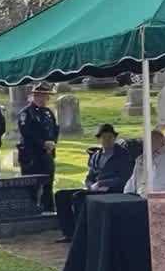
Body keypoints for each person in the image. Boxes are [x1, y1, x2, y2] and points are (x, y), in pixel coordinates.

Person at [53, 124, 133, 242]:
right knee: (61, 195)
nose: (107, 140)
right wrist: (90, 185)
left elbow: (125, 178)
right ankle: (69, 233)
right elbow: (89, 177)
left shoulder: (122, 155)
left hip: (113, 190)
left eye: (110, 137)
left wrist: (102, 183)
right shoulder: (96, 155)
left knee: (78, 197)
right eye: (104, 137)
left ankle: (83, 234)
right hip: (95, 189)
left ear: (114, 138)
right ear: (99, 139)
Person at [18, 83, 59, 211]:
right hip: (31, 155)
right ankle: (31, 210)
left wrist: (52, 142)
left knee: (48, 183)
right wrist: (43, 143)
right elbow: (27, 132)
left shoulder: (48, 112)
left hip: (47, 154)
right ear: (35, 96)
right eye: (42, 96)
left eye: (46, 96)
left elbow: (55, 129)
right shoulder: (26, 113)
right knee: (32, 185)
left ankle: (48, 210)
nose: (45, 99)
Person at [125, 129, 165, 196]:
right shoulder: (141, 159)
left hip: (154, 200)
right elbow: (133, 180)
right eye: (146, 142)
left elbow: (162, 186)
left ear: (162, 143)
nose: (147, 144)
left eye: (152, 141)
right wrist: (128, 194)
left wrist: (141, 196)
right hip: (137, 198)